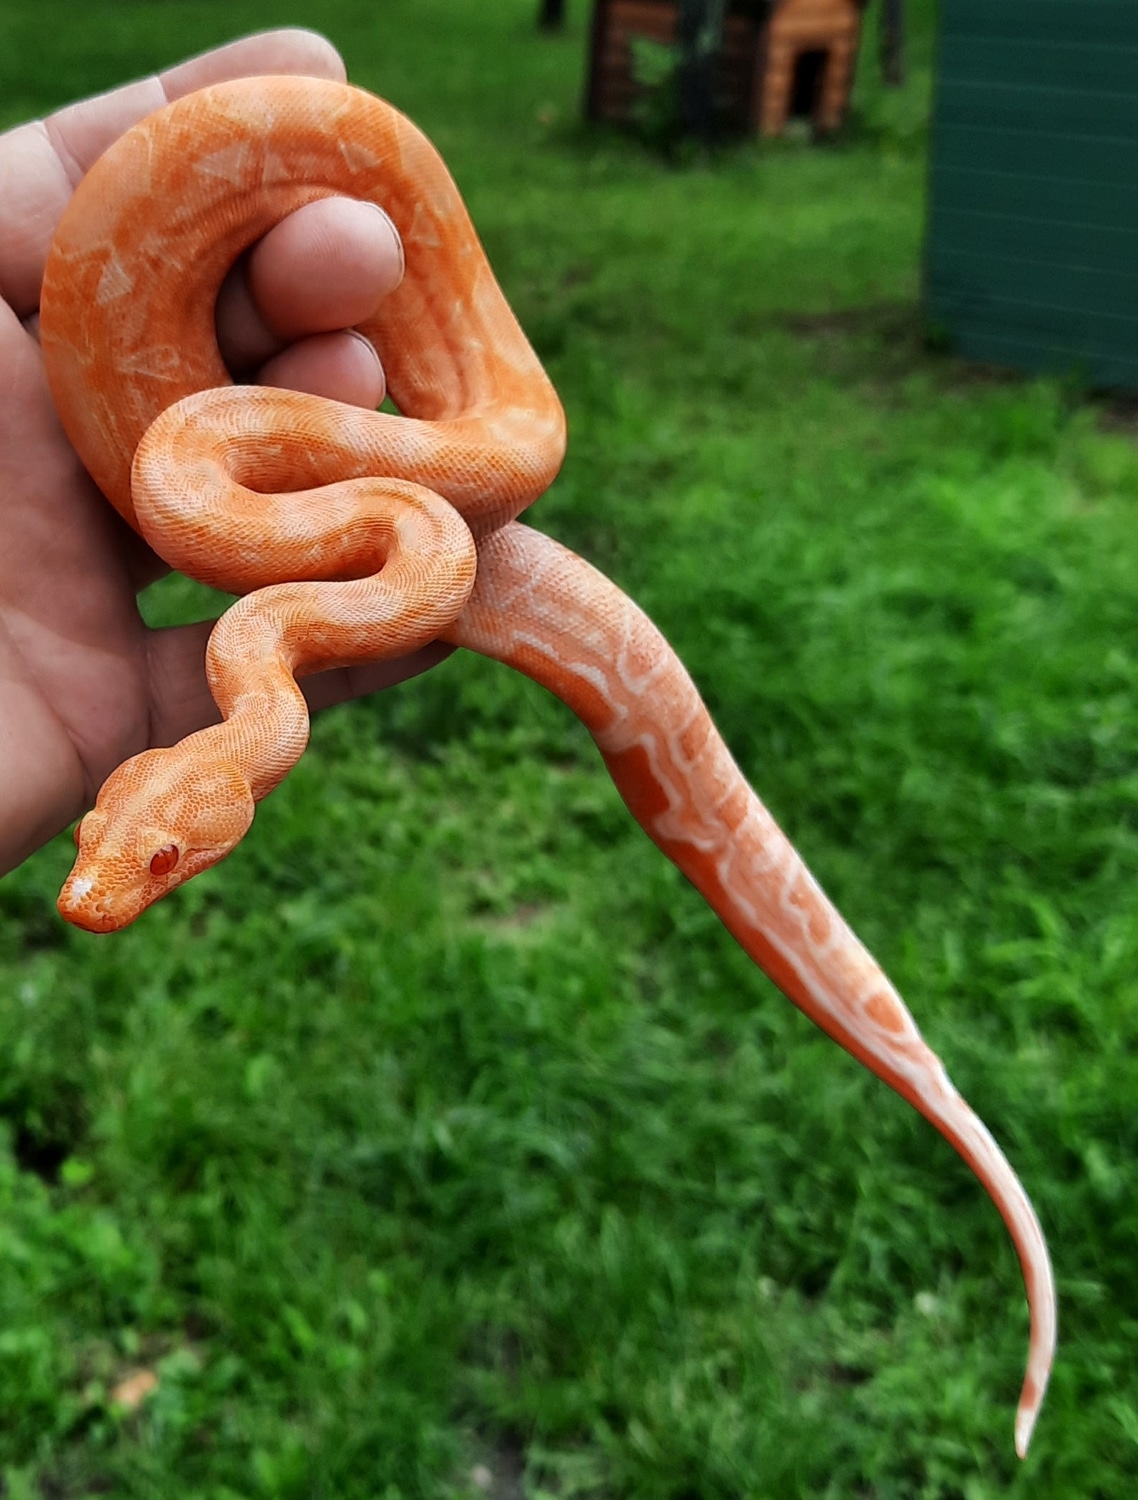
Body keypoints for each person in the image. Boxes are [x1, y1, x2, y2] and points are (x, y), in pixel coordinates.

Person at [0, 29, 454, 878]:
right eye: (136, 854)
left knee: (347, 270)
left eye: (159, 858)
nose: (92, 892)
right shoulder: (276, 653)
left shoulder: (262, 637)